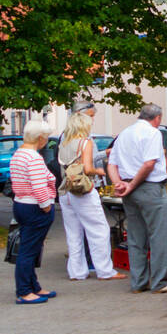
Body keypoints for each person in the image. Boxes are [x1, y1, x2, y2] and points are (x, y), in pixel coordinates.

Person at [107, 104, 167, 294]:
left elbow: (112, 163)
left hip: (129, 187)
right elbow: (149, 164)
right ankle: (161, 281)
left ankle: (139, 282)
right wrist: (132, 184)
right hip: (148, 187)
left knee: (136, 236)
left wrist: (119, 183)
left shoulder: (124, 133)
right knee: (158, 235)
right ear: (157, 118)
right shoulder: (152, 133)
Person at [57, 110, 124, 282]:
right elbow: (88, 169)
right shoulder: (85, 142)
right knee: (99, 230)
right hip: (83, 190)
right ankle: (105, 270)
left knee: (73, 232)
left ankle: (76, 271)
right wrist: (102, 171)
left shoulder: (64, 143)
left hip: (66, 190)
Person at [11, 120, 58, 304]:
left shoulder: (19, 154)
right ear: (40, 138)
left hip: (21, 204)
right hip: (35, 207)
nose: (46, 141)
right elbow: (39, 187)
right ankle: (24, 291)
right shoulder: (34, 158)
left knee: (30, 248)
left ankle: (33, 287)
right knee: (29, 251)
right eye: (46, 137)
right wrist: (47, 205)